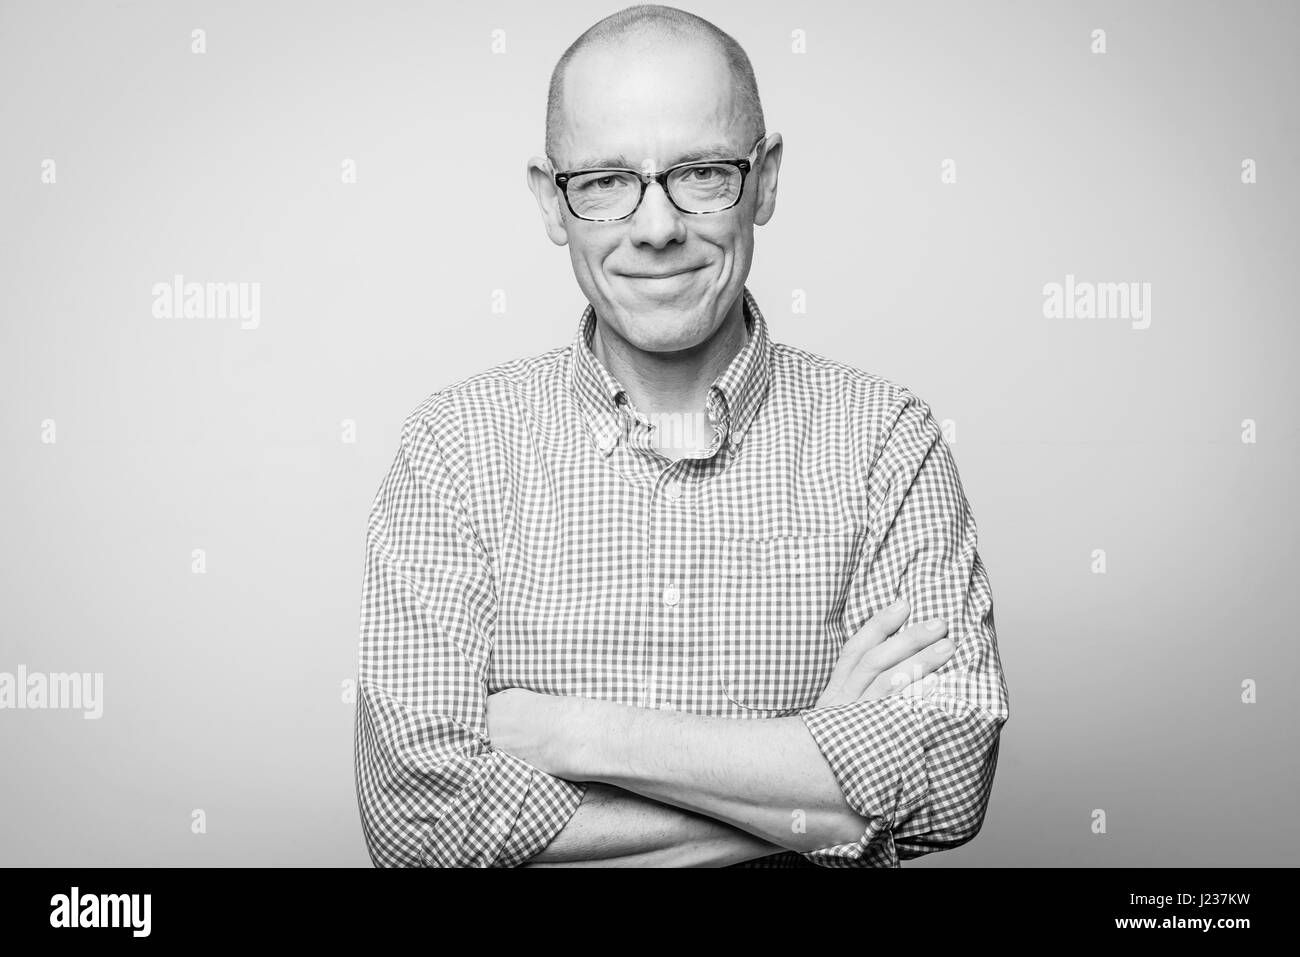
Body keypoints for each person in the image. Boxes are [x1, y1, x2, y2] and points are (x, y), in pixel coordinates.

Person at [354, 3, 1009, 868]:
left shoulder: (886, 441)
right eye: (605, 181)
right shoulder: (455, 447)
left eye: (700, 173)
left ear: (765, 179)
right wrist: (815, 786)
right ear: (552, 201)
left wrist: (578, 734)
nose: (657, 228)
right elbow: (417, 822)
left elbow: (947, 774)